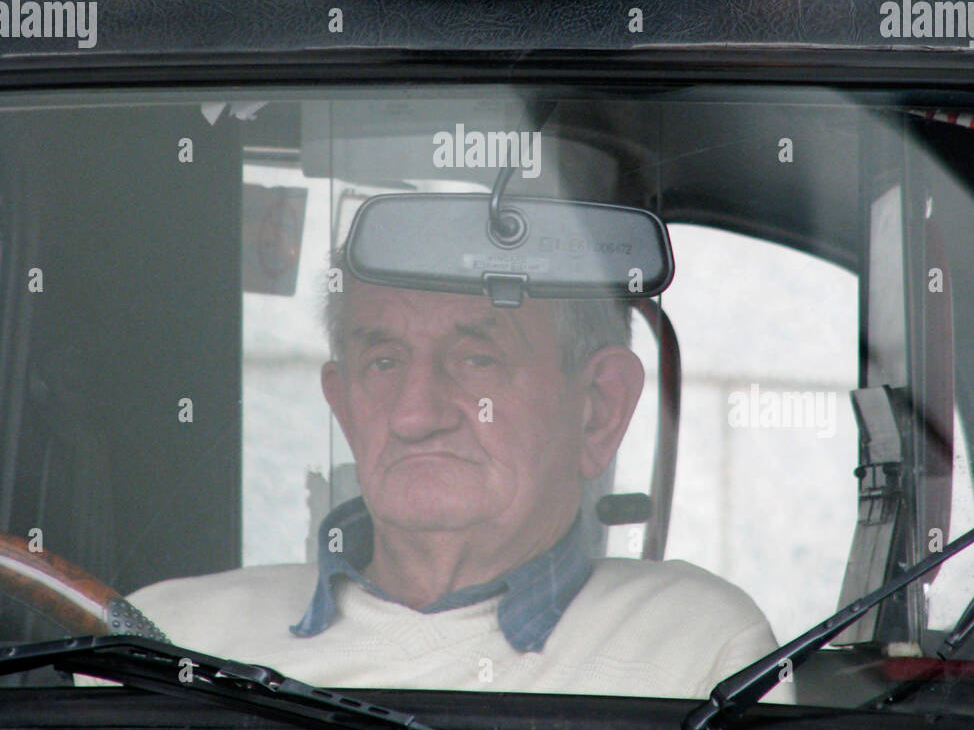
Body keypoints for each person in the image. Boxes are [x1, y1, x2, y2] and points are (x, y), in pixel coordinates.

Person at [127, 257, 786, 699]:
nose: (415, 415)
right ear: (345, 406)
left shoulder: (698, 650)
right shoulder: (161, 639)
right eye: (383, 361)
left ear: (596, 411)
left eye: (477, 359)